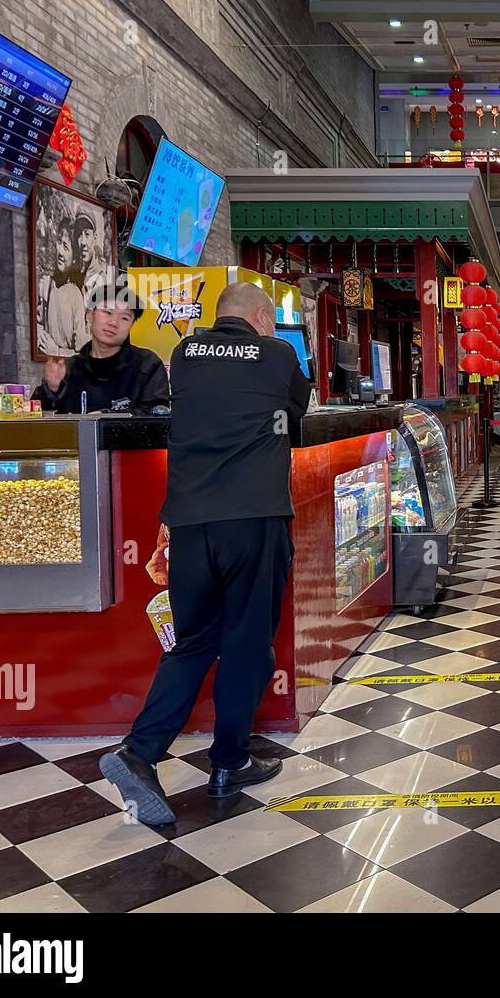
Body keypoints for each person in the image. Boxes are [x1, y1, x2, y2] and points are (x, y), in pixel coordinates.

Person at [100, 282, 312, 826]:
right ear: (263, 318)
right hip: (254, 519)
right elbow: (297, 415)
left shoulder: (184, 354)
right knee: (245, 643)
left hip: (189, 524)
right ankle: (228, 763)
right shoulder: (281, 353)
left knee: (191, 642)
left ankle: (140, 752)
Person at [32, 284, 169, 414]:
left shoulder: (147, 365)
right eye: (107, 312)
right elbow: (39, 421)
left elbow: (156, 414)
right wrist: (51, 390)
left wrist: (106, 417)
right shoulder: (69, 369)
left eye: (124, 318)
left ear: (131, 325)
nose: (114, 322)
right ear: (90, 315)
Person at [39, 218, 91, 357]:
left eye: (66, 247)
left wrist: (57, 351)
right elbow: (37, 323)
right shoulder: (46, 284)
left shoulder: (76, 296)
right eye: (59, 243)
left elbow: (82, 351)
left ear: (74, 258)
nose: (60, 252)